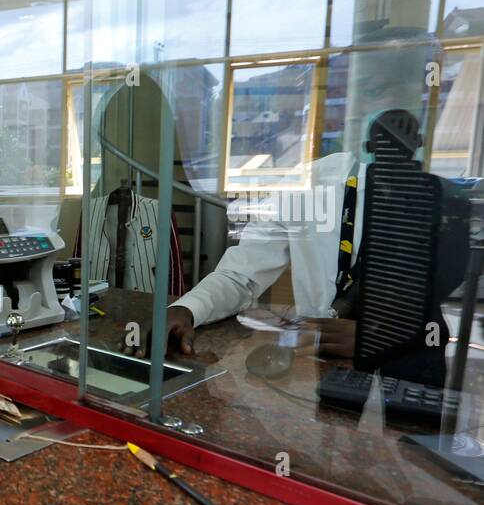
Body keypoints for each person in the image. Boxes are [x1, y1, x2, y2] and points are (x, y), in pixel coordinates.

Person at [131, 31, 438, 360]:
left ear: (423, 95)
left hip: (413, 369)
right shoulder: (314, 181)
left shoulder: (445, 196)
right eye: (351, 93)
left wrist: (386, 335)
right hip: (326, 364)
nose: (359, 108)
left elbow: (457, 309)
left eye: (375, 90)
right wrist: (185, 310)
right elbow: (241, 275)